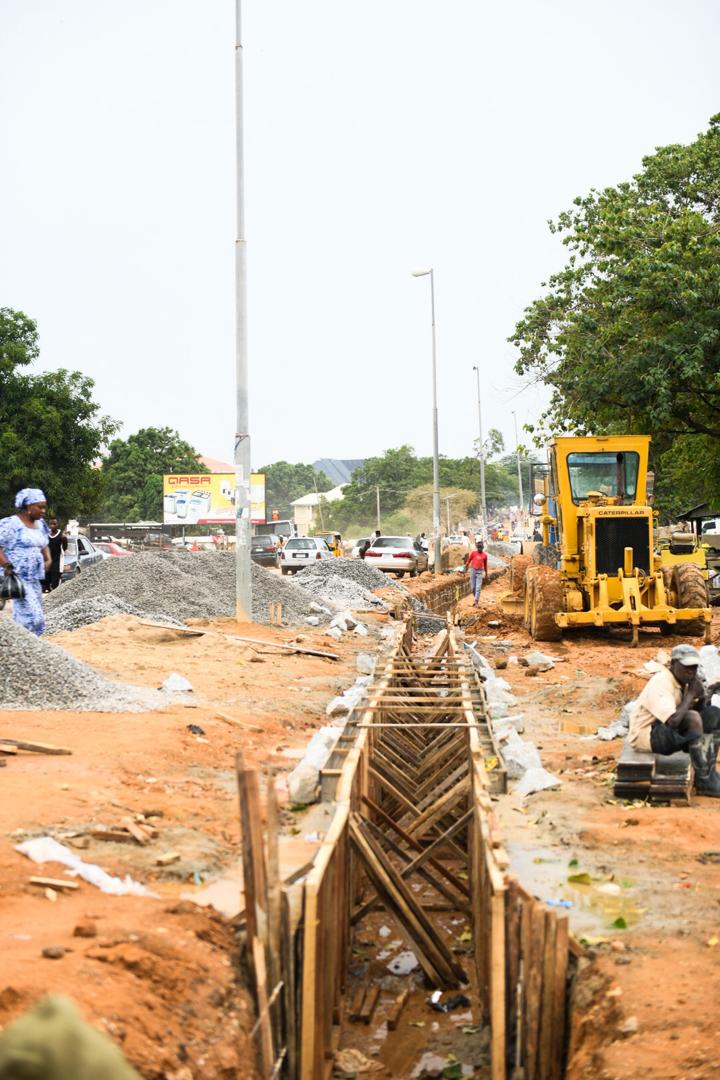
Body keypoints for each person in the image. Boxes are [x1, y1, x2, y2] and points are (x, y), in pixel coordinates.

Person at [628, 643, 720, 797]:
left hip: (662, 729)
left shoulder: (682, 681)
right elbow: (673, 721)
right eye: (686, 667)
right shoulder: (662, 681)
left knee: (714, 714)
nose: (691, 671)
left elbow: (701, 713)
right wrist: (690, 695)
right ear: (673, 664)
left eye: (694, 667)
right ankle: (704, 781)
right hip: (645, 736)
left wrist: (701, 696)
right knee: (693, 718)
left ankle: (709, 772)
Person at [0, 488, 51, 635]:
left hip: (35, 577)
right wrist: (6, 565)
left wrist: (48, 559)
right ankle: (23, 644)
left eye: (44, 507)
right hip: (18, 576)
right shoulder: (11, 524)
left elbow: (44, 544)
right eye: (39, 507)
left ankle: (30, 646)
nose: (43, 511)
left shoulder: (40, 525)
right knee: (34, 616)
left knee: (29, 616)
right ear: (28, 506)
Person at [44, 517, 68, 592]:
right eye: (51, 524)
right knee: (45, 582)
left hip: (57, 562)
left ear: (57, 525)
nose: (52, 525)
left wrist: (60, 553)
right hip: (48, 561)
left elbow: (64, 547)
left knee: (55, 583)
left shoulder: (62, 536)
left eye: (54, 524)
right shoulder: (46, 535)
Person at [464, 540, 489, 606]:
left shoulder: (485, 555)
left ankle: (476, 601)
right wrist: (465, 568)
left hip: (480, 572)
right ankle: (476, 598)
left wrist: (486, 574)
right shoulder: (473, 553)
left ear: (482, 548)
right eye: (478, 548)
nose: (479, 549)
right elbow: (468, 561)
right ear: (477, 547)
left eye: (480, 548)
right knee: (473, 588)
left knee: (478, 587)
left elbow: (485, 565)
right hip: (473, 571)